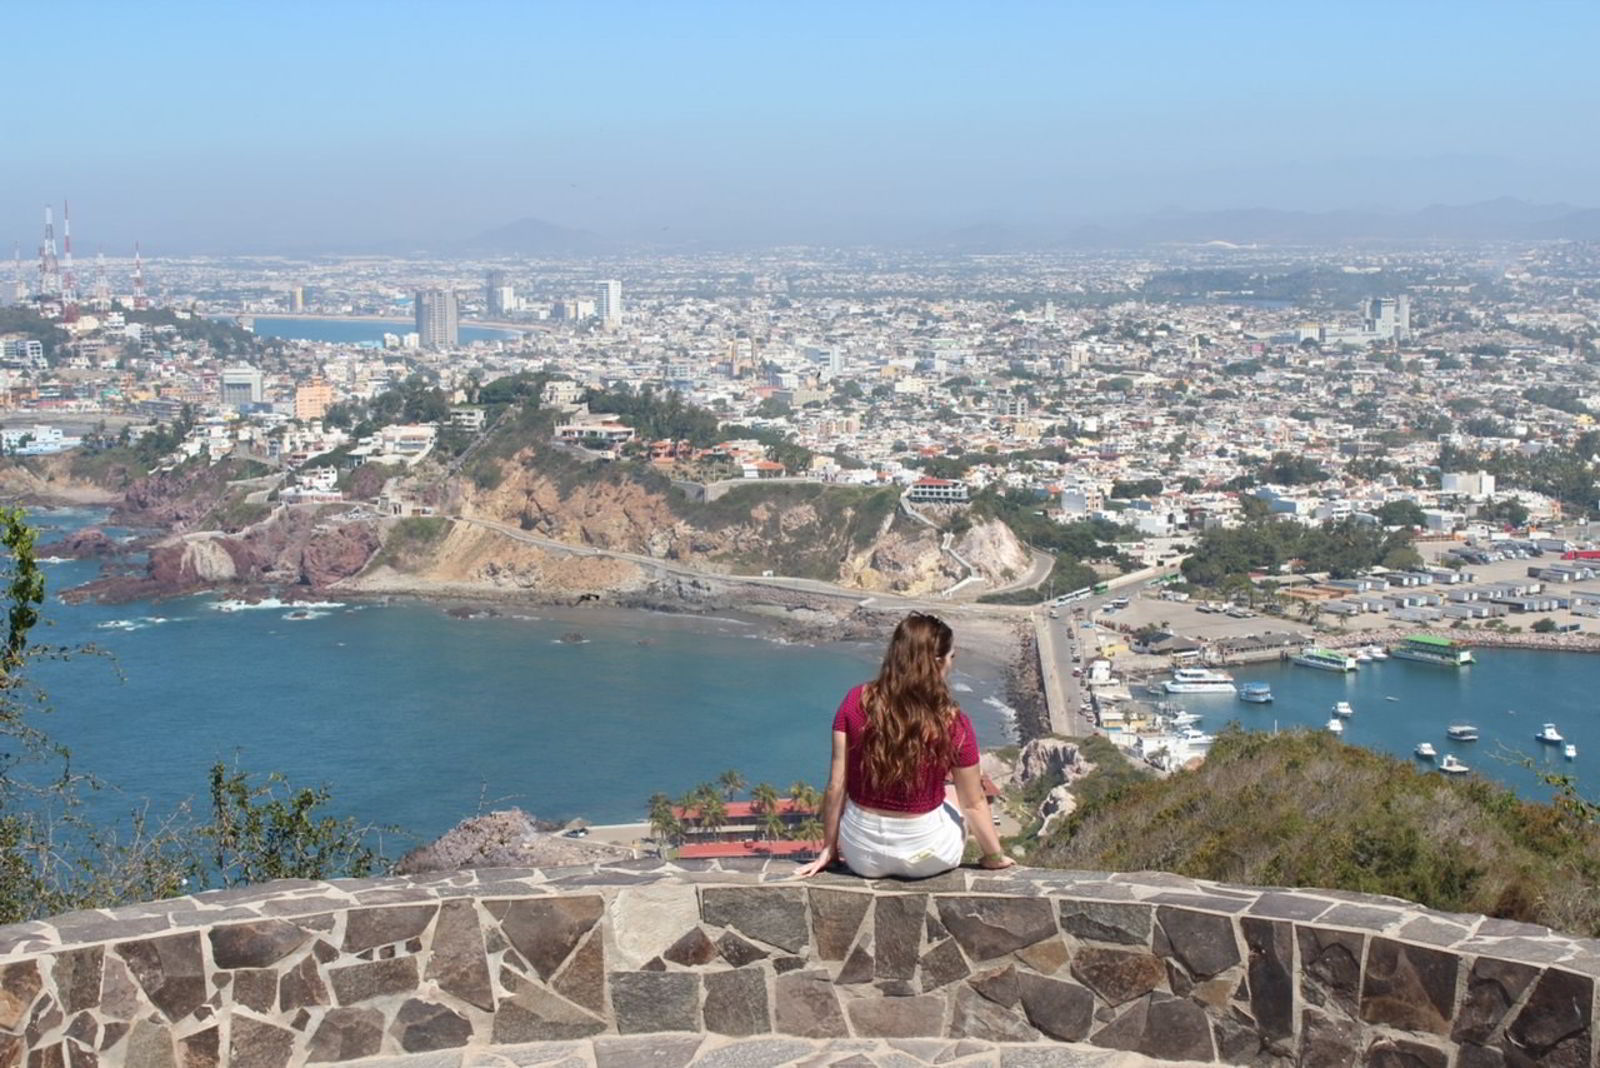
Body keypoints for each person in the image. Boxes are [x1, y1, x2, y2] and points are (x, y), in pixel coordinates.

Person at [795, 612, 1015, 878]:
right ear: (937, 662)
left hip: (862, 856)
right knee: (955, 794)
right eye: (951, 657)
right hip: (927, 856)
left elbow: (836, 785)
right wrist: (994, 857)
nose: (951, 664)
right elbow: (974, 803)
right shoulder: (954, 722)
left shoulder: (854, 701)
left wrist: (829, 848)